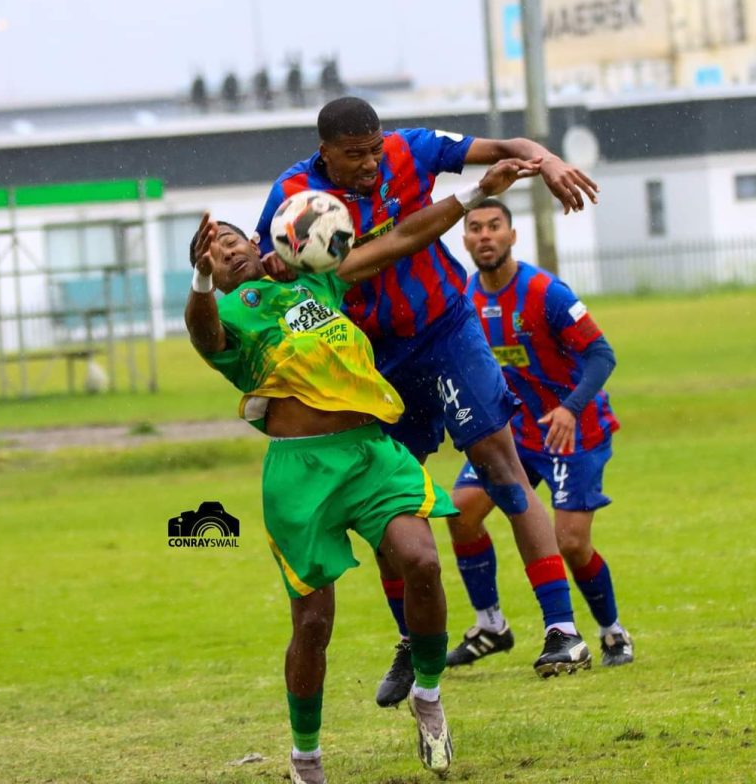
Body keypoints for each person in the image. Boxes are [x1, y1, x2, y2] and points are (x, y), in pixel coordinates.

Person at [185, 160, 536, 784]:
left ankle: (428, 696)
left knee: (422, 562)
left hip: (372, 453)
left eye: (233, 241)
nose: (226, 253)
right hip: (301, 475)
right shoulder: (227, 314)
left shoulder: (313, 280)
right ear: (206, 267)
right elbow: (203, 334)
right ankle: (306, 758)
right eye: (213, 253)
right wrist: (200, 285)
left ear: (263, 243)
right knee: (314, 622)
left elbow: (401, 238)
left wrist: (477, 188)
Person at [255, 97, 598, 707]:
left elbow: (507, 147)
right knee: (393, 509)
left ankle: (561, 629)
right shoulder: (292, 197)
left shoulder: (410, 150)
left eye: (373, 149)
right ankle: (414, 642)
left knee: (500, 464)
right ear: (325, 152)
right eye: (354, 156)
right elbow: (338, 267)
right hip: (371, 357)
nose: (369, 164)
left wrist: (545, 160)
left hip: (445, 327)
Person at [445, 198, 633, 670]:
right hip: (514, 434)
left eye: (494, 227)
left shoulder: (546, 292)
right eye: (474, 228)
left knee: (570, 542)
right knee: (461, 512)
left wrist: (570, 408)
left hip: (573, 431)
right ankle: (491, 625)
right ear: (464, 239)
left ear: (512, 236)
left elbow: (602, 354)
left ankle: (613, 633)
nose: (484, 235)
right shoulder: (465, 298)